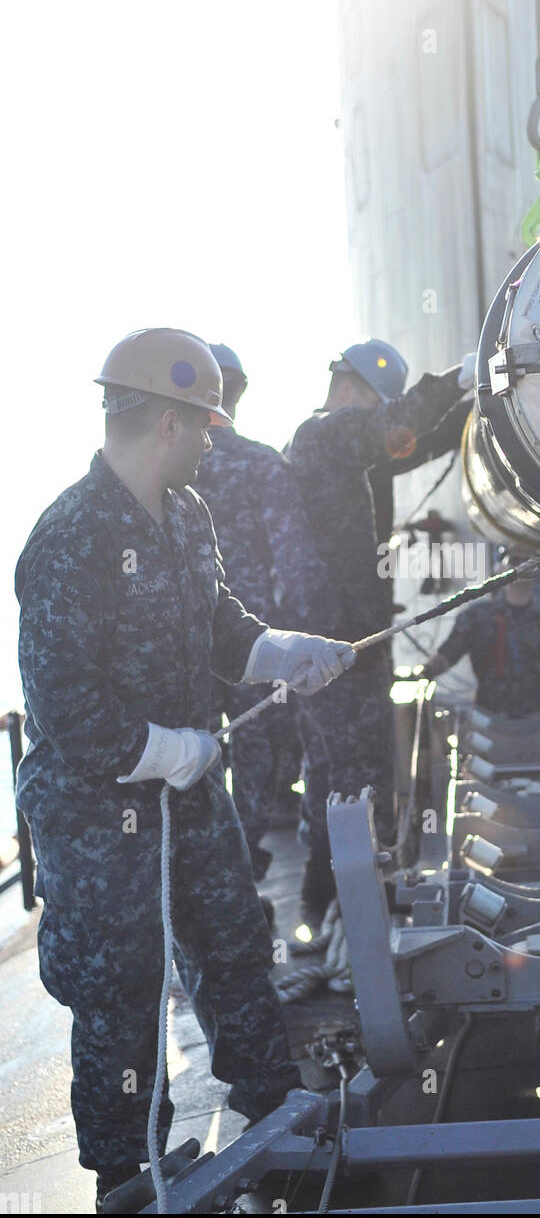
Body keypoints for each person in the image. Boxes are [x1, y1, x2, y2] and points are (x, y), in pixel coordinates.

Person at [15, 328, 355, 1209]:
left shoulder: (188, 514)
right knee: (120, 984)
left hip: (189, 790)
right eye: (205, 422)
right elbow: (67, 710)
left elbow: (220, 624)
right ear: (166, 423)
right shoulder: (67, 540)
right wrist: (171, 751)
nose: (216, 436)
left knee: (233, 939)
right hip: (98, 810)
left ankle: (271, 1105)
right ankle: (128, 1173)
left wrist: (284, 651)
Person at [284, 339, 474, 921]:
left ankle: (339, 891)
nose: (375, 411)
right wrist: (460, 377)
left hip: (352, 637)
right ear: (347, 386)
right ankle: (345, 898)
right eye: (373, 399)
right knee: (349, 770)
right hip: (337, 641)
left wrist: (476, 406)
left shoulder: (347, 447)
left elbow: (414, 441)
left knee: (349, 765)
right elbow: (392, 427)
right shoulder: (323, 435)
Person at [194, 343, 313, 884]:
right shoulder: (263, 463)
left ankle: (206, 860)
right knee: (258, 745)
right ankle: (239, 858)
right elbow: (293, 560)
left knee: (190, 752)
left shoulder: (160, 465)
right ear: (238, 394)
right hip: (252, 643)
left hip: (179, 641)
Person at [421, 550, 540, 716]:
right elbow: (446, 656)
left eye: (528, 560)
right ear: (501, 569)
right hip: (487, 719)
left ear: (539, 571)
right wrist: (422, 674)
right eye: (515, 559)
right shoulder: (476, 618)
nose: (522, 566)